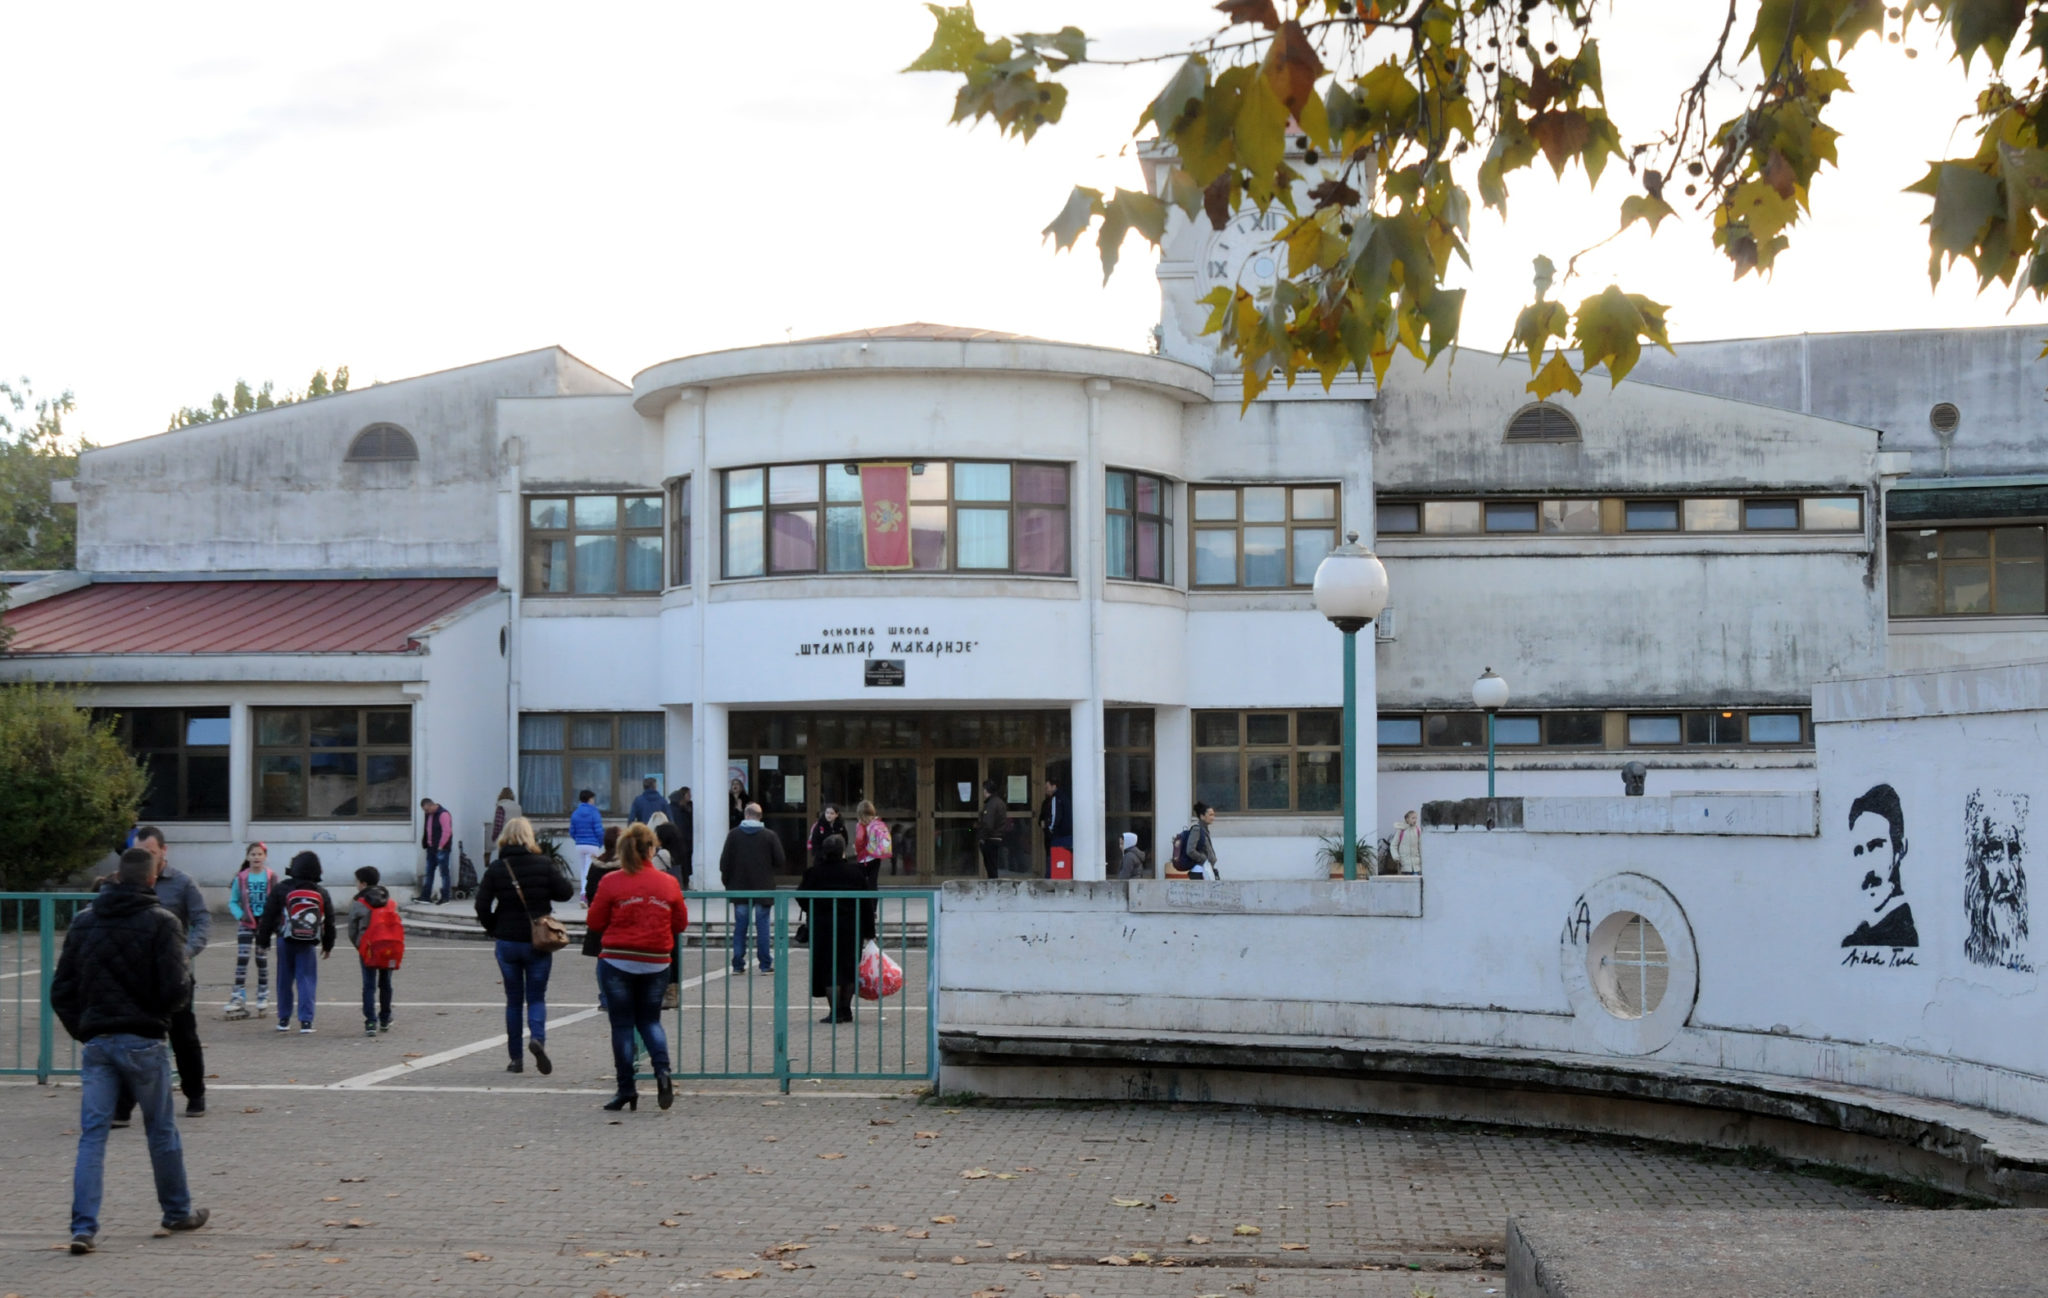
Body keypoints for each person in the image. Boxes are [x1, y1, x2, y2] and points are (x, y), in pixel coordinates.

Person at [51, 847, 209, 1255]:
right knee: (161, 1130)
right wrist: (158, 1018)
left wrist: (85, 1030)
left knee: (93, 1135)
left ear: (118, 877)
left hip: (99, 1040)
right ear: (153, 880)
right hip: (143, 1038)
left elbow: (62, 990)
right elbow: (177, 987)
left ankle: (83, 1227)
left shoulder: (85, 922)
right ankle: (176, 1210)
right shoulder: (162, 922)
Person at [587, 823, 687, 1111]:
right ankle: (662, 1070)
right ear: (652, 849)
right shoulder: (668, 882)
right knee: (650, 1021)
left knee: (621, 1025)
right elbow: (680, 923)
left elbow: (594, 921)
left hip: (618, 959)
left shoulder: (611, 881)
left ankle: (626, 1088)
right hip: (656, 961)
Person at [112, 827, 208, 1119]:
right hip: (136, 975)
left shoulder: (182, 883)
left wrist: (186, 952)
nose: (145, 859)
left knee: (183, 1036)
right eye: (139, 854)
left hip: (172, 973)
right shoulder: (124, 884)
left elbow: (202, 920)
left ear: (163, 852)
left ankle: (195, 1094)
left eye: (150, 853)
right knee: (132, 1037)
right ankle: (124, 1106)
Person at [477, 816, 574, 1073]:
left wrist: (493, 927)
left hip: (507, 940)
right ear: (530, 837)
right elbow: (565, 892)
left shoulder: (498, 868)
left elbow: (481, 904)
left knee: (513, 1000)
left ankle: (515, 1059)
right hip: (538, 940)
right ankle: (538, 1039)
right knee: (536, 997)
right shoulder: (543, 864)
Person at [798, 834, 875, 1024]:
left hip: (823, 927)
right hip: (850, 926)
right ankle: (846, 1009)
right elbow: (867, 903)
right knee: (848, 968)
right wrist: (869, 931)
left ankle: (834, 1012)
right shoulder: (855, 872)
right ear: (843, 850)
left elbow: (801, 896)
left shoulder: (814, 872)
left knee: (828, 969)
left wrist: (814, 909)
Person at [256, 851, 336, 1032]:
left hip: (285, 938)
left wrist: (263, 941)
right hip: (308, 941)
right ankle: (306, 1021)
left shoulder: (282, 888)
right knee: (306, 979)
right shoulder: (320, 892)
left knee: (284, 979)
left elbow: (268, 916)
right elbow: (329, 921)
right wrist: (328, 944)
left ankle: (283, 1019)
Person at [719, 801, 783, 975]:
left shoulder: (733, 835)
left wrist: (728, 882)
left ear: (746, 815)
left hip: (739, 888)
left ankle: (738, 964)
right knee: (763, 926)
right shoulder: (769, 836)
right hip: (763, 887)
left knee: (740, 926)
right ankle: (764, 964)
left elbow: (724, 862)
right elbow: (780, 860)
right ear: (760, 817)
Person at [223, 842, 276, 1020]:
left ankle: (263, 995)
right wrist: (240, 916)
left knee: (261, 960)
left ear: (265, 857)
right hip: (246, 923)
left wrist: (274, 921)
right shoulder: (242, 878)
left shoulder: (271, 877)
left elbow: (277, 899)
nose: (256, 857)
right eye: (253, 854)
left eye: (259, 854)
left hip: (263, 925)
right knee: (242, 959)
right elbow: (233, 901)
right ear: (248, 857)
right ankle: (237, 996)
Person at [348, 867, 401, 1037]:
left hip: (368, 950)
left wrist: (360, 946)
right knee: (386, 984)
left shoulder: (358, 903)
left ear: (363, 883)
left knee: (369, 985)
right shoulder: (389, 901)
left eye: (357, 882)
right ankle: (385, 1018)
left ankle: (370, 1021)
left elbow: (352, 930)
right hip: (388, 949)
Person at [569, 789, 605, 899]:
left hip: (580, 844)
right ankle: (585, 894)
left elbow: (572, 831)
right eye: (593, 798)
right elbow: (599, 831)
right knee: (590, 870)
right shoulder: (594, 812)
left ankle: (583, 892)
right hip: (592, 844)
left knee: (583, 869)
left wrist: (578, 840)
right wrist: (600, 843)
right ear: (590, 799)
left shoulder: (575, 813)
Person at [419, 797, 454, 905]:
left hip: (441, 849)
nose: (426, 812)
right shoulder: (429, 815)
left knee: (444, 873)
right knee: (429, 872)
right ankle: (425, 896)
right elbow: (427, 830)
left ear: (431, 805)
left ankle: (445, 897)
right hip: (431, 848)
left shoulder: (443, 814)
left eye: (427, 810)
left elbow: (447, 831)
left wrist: (441, 845)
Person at [1173, 802, 1219, 880]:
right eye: (1210, 815)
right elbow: (1190, 850)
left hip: (1206, 870)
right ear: (1202, 816)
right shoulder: (1196, 830)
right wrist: (1203, 859)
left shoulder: (1204, 830)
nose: (1213, 817)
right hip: (1199, 871)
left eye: (1213, 815)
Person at [1038, 778, 1073, 877]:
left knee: (1054, 859)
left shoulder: (1056, 798)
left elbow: (1055, 817)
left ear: (1054, 786)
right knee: (1063, 861)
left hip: (1059, 836)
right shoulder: (1065, 797)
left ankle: (1049, 881)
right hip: (1067, 834)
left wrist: (1050, 829)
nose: (1046, 790)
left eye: (1047, 787)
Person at [853, 800, 893, 886]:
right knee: (873, 881)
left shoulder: (861, 825)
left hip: (864, 857)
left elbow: (859, 840)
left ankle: (865, 899)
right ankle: (873, 899)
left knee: (862, 881)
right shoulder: (877, 822)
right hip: (876, 856)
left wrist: (858, 851)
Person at [976, 780, 1009, 880]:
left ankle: (994, 889)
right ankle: (994, 888)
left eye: (983, 790)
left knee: (991, 868)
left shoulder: (991, 804)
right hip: (997, 838)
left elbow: (988, 824)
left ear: (986, 790)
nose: (983, 792)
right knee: (993, 866)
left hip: (990, 839)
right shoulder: (999, 802)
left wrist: (982, 837)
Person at [668, 787, 695, 880]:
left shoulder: (674, 809)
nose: (690, 796)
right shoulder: (681, 810)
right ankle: (684, 882)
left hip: (681, 840)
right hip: (684, 840)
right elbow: (684, 825)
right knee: (684, 863)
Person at [807, 804, 846, 868]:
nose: (829, 815)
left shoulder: (840, 826)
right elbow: (814, 842)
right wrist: (821, 855)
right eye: (827, 813)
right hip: (822, 858)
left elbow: (844, 840)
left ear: (837, 814)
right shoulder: (819, 826)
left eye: (832, 813)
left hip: (837, 859)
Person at [1391, 809, 1423, 875]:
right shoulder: (1401, 830)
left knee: (1415, 883)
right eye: (1413, 818)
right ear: (1407, 819)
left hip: (1416, 866)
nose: (1415, 820)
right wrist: (1396, 856)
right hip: (1404, 864)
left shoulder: (1418, 830)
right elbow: (1393, 845)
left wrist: (1422, 859)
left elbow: (1421, 846)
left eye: (1416, 818)